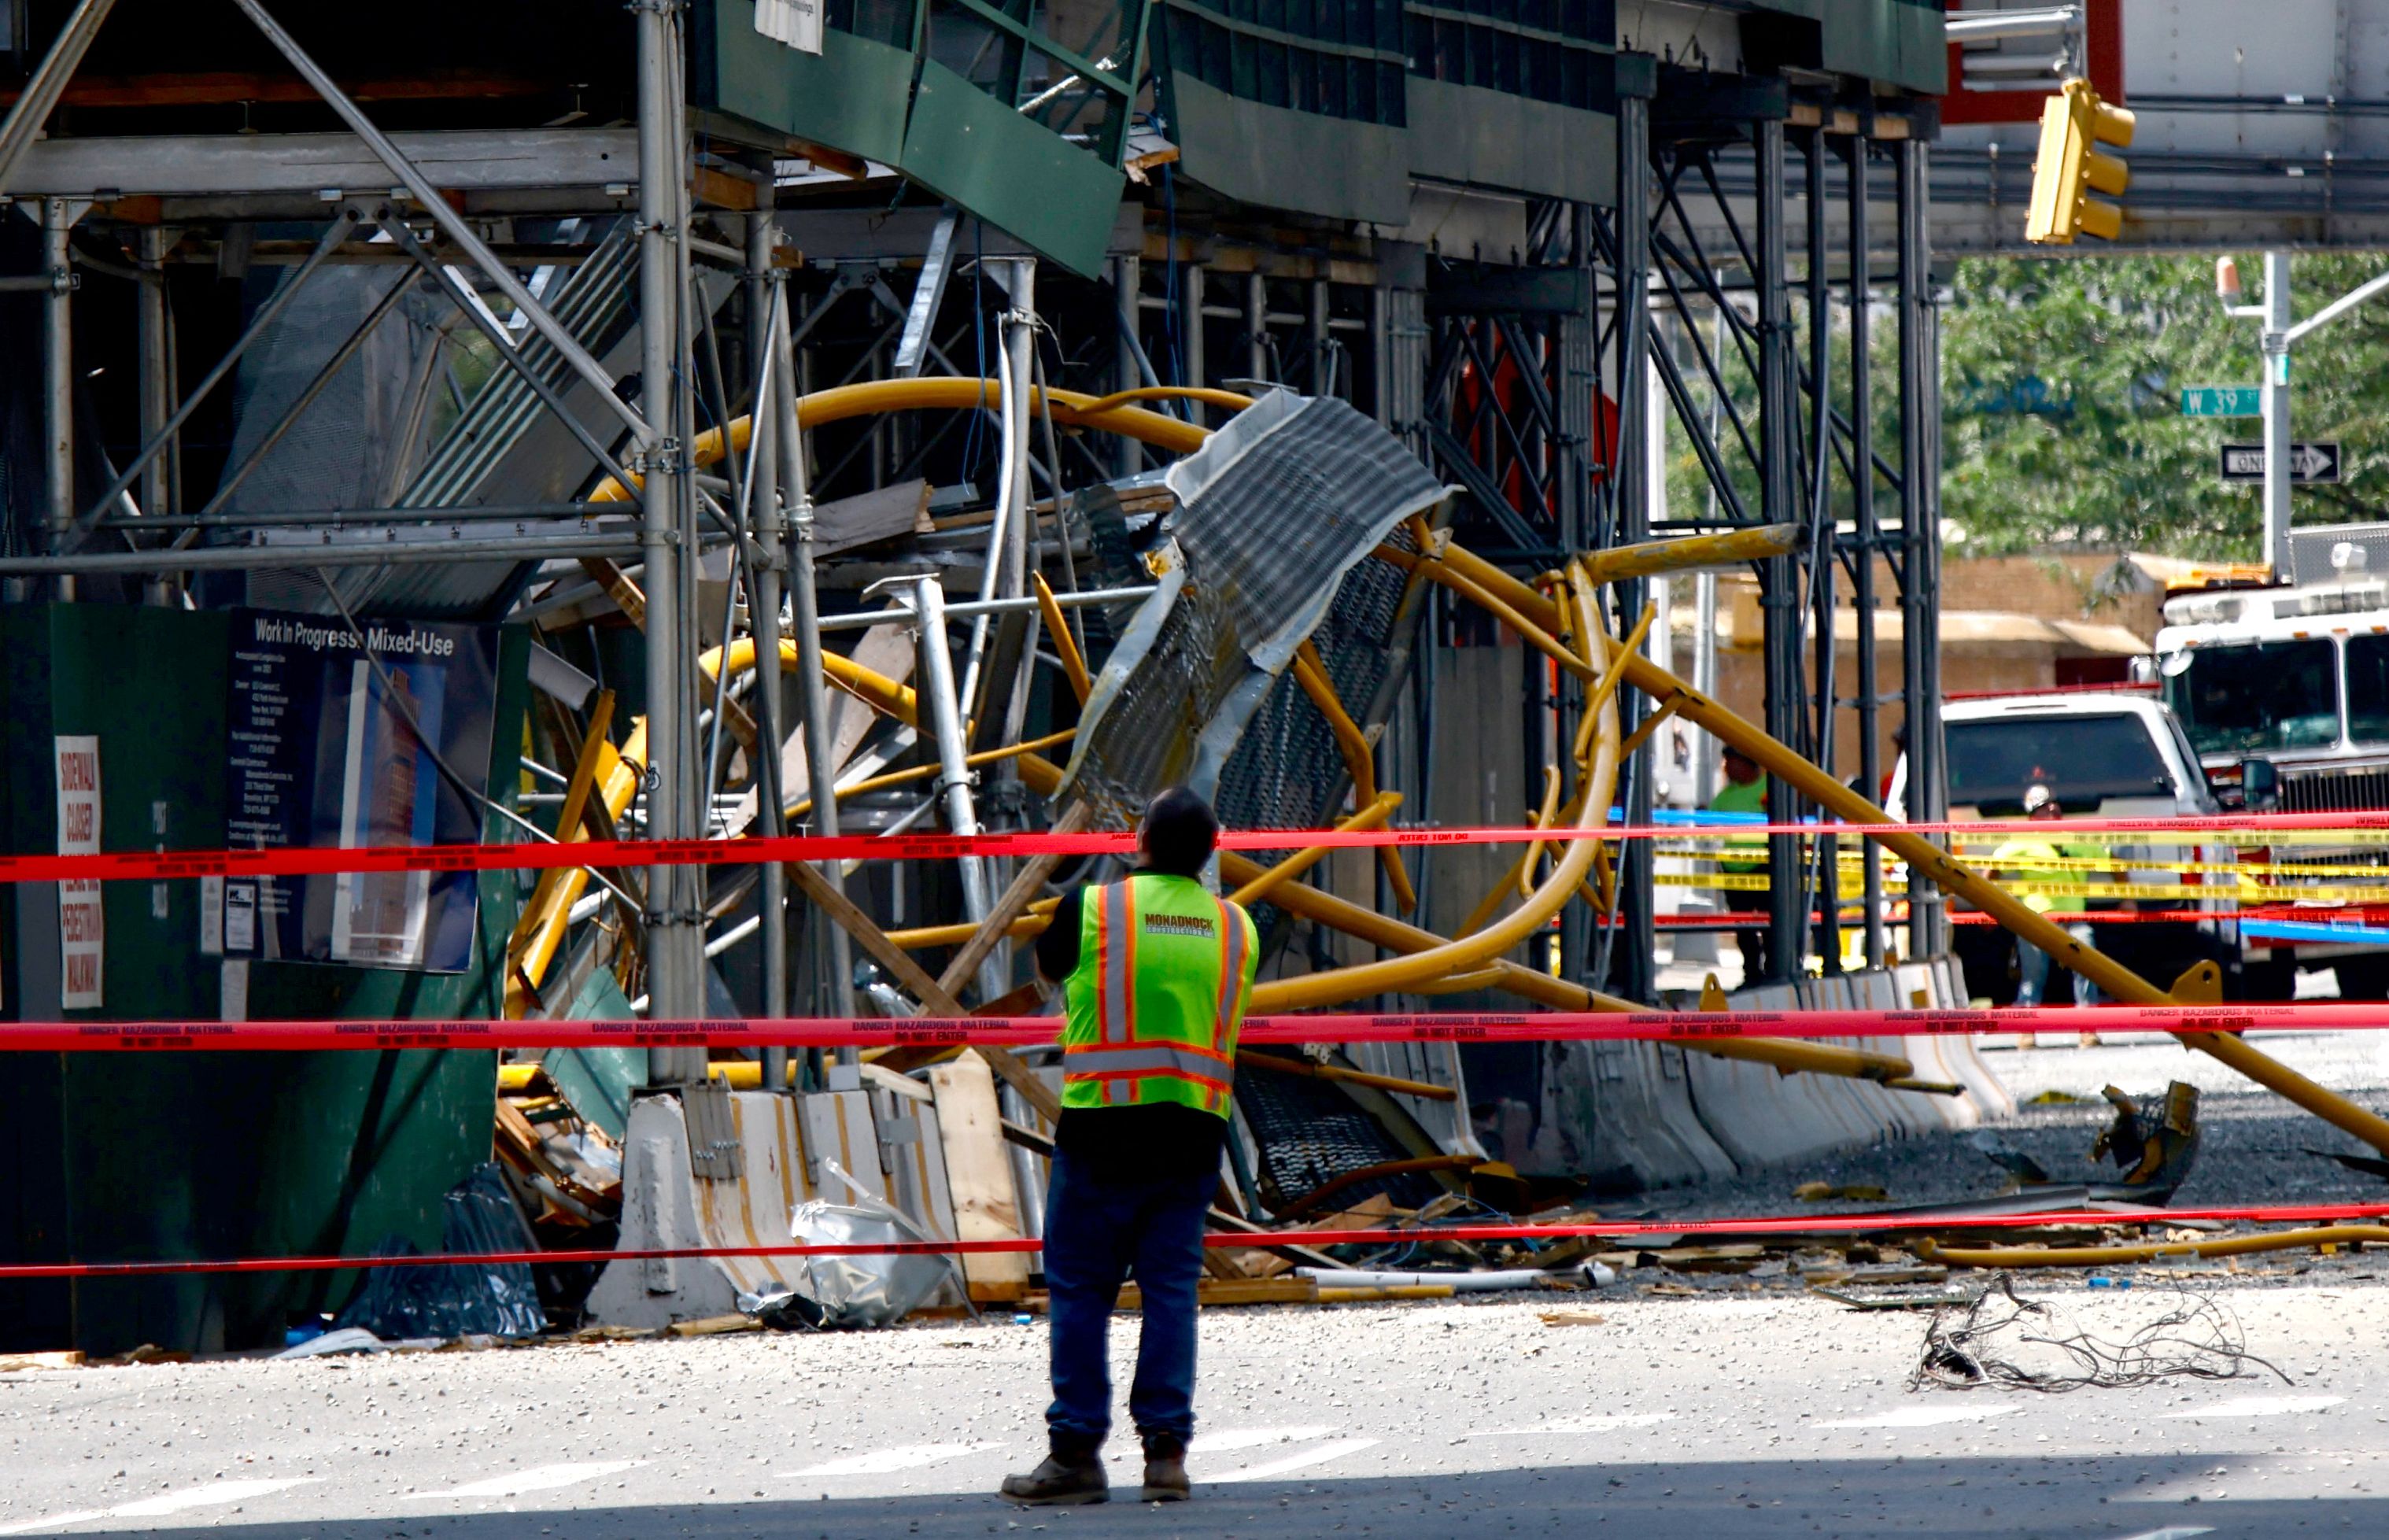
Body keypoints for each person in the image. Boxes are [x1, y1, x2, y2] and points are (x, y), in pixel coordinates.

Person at [1000, 786, 1260, 1508]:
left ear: (1139, 839)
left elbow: (1048, 971)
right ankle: (1166, 1456)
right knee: (1171, 1289)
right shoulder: (1237, 927)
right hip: (1193, 1132)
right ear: (1211, 852)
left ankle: (1076, 1453)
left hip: (1103, 1128)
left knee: (1081, 1290)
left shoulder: (1093, 909)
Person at [1990, 784, 2106, 1047]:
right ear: (2033, 817)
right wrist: (1993, 904)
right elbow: (1992, 868)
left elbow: (2114, 861)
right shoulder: (2022, 842)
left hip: (2074, 921)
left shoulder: (2077, 839)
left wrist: (2128, 899)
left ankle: (2088, 1029)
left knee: (2088, 968)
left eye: (2054, 805)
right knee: (2033, 976)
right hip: (2037, 922)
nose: (2053, 810)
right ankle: (2026, 1031)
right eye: (2044, 808)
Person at [1709, 744, 1774, 983]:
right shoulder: (1726, 796)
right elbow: (1707, 820)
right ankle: (1752, 973)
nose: (1726, 768)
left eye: (1730, 762)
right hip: (1733, 871)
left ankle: (1773, 969)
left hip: (1763, 867)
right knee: (1743, 927)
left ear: (1746, 762)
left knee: (1769, 922)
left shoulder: (1767, 788)